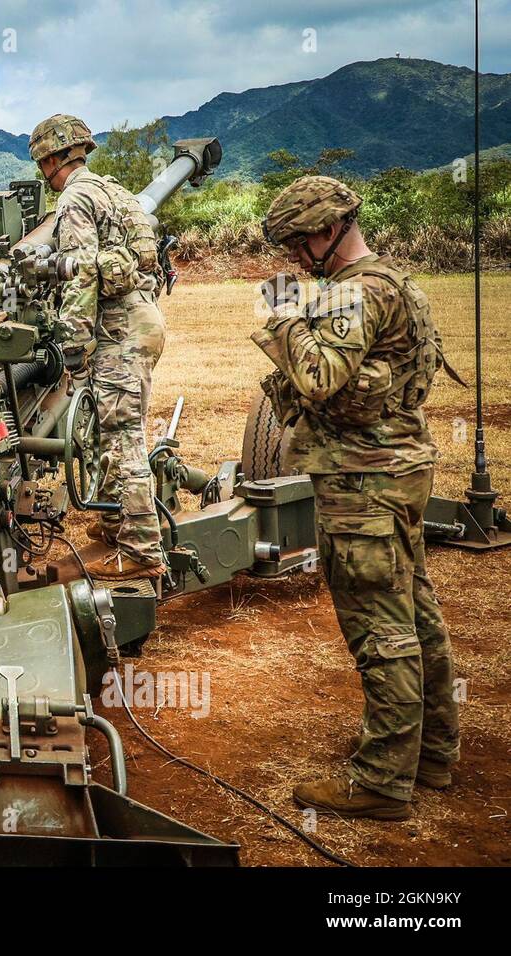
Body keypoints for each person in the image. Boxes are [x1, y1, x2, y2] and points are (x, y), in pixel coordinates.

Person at [254, 175, 460, 820]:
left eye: (295, 244)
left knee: (379, 623)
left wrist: (282, 312)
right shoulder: (398, 283)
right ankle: (431, 751)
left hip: (362, 477)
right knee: (414, 606)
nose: (293, 259)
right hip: (399, 467)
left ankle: (381, 779)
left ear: (325, 230)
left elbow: (318, 377)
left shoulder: (358, 294)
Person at [29, 114, 168, 580]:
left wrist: (71, 343)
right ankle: (114, 523)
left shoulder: (74, 199)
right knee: (109, 425)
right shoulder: (117, 191)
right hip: (142, 316)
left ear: (49, 159)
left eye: (42, 162)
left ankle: (142, 552)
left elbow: (82, 273)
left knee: (122, 435)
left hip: (118, 327)